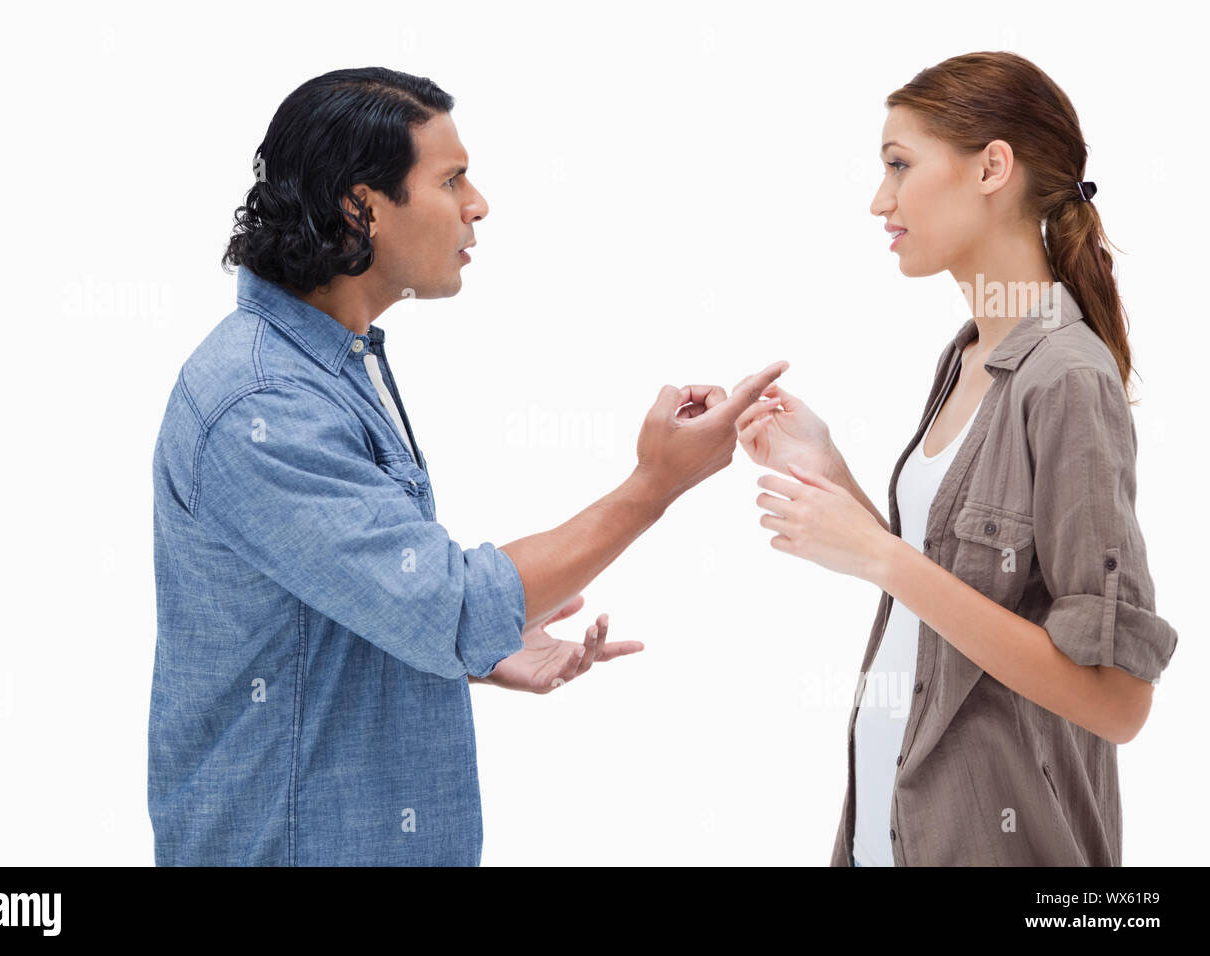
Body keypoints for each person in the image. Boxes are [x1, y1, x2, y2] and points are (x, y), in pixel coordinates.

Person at [148, 66, 786, 866]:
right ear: (361, 206)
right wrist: (654, 486)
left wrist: (475, 651)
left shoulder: (330, 362)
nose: (477, 204)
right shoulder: (261, 401)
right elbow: (441, 605)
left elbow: (362, 595)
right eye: (451, 180)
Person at [734, 51, 1177, 866]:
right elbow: (952, 590)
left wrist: (880, 557)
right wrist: (833, 476)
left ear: (993, 167)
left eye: (900, 165)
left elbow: (1119, 703)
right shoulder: (969, 356)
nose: (880, 200)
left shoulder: (1067, 377)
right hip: (890, 835)